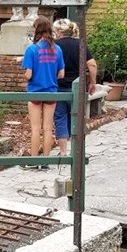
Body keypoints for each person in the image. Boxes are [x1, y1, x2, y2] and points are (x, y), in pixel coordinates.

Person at [21, 16, 64, 169]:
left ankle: (33, 161)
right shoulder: (57, 49)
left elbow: (29, 74)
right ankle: (46, 161)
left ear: (36, 30)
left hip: (35, 92)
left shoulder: (32, 49)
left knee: (35, 128)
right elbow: (61, 74)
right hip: (51, 91)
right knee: (48, 128)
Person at [53, 19, 98, 156]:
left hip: (58, 86)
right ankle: (77, 151)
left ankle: (63, 151)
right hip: (77, 87)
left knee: (60, 117)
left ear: (59, 31)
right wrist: (92, 82)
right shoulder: (80, 44)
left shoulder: (54, 45)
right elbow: (92, 64)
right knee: (77, 118)